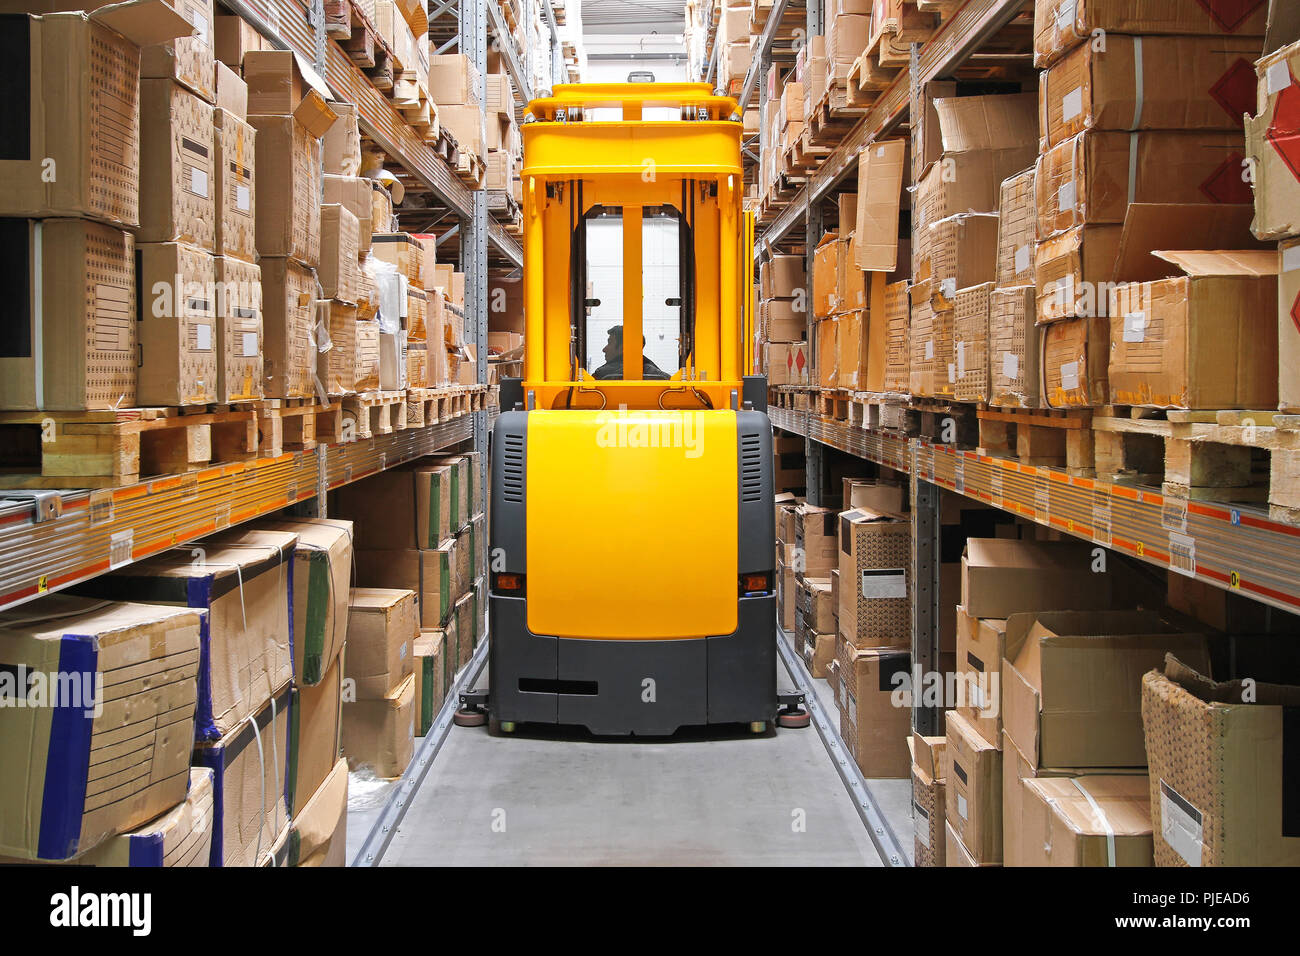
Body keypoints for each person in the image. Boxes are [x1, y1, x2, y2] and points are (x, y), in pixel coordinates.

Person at [591, 326, 669, 380]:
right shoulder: (662, 377)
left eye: (610, 343)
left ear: (624, 348)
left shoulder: (600, 375)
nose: (604, 349)